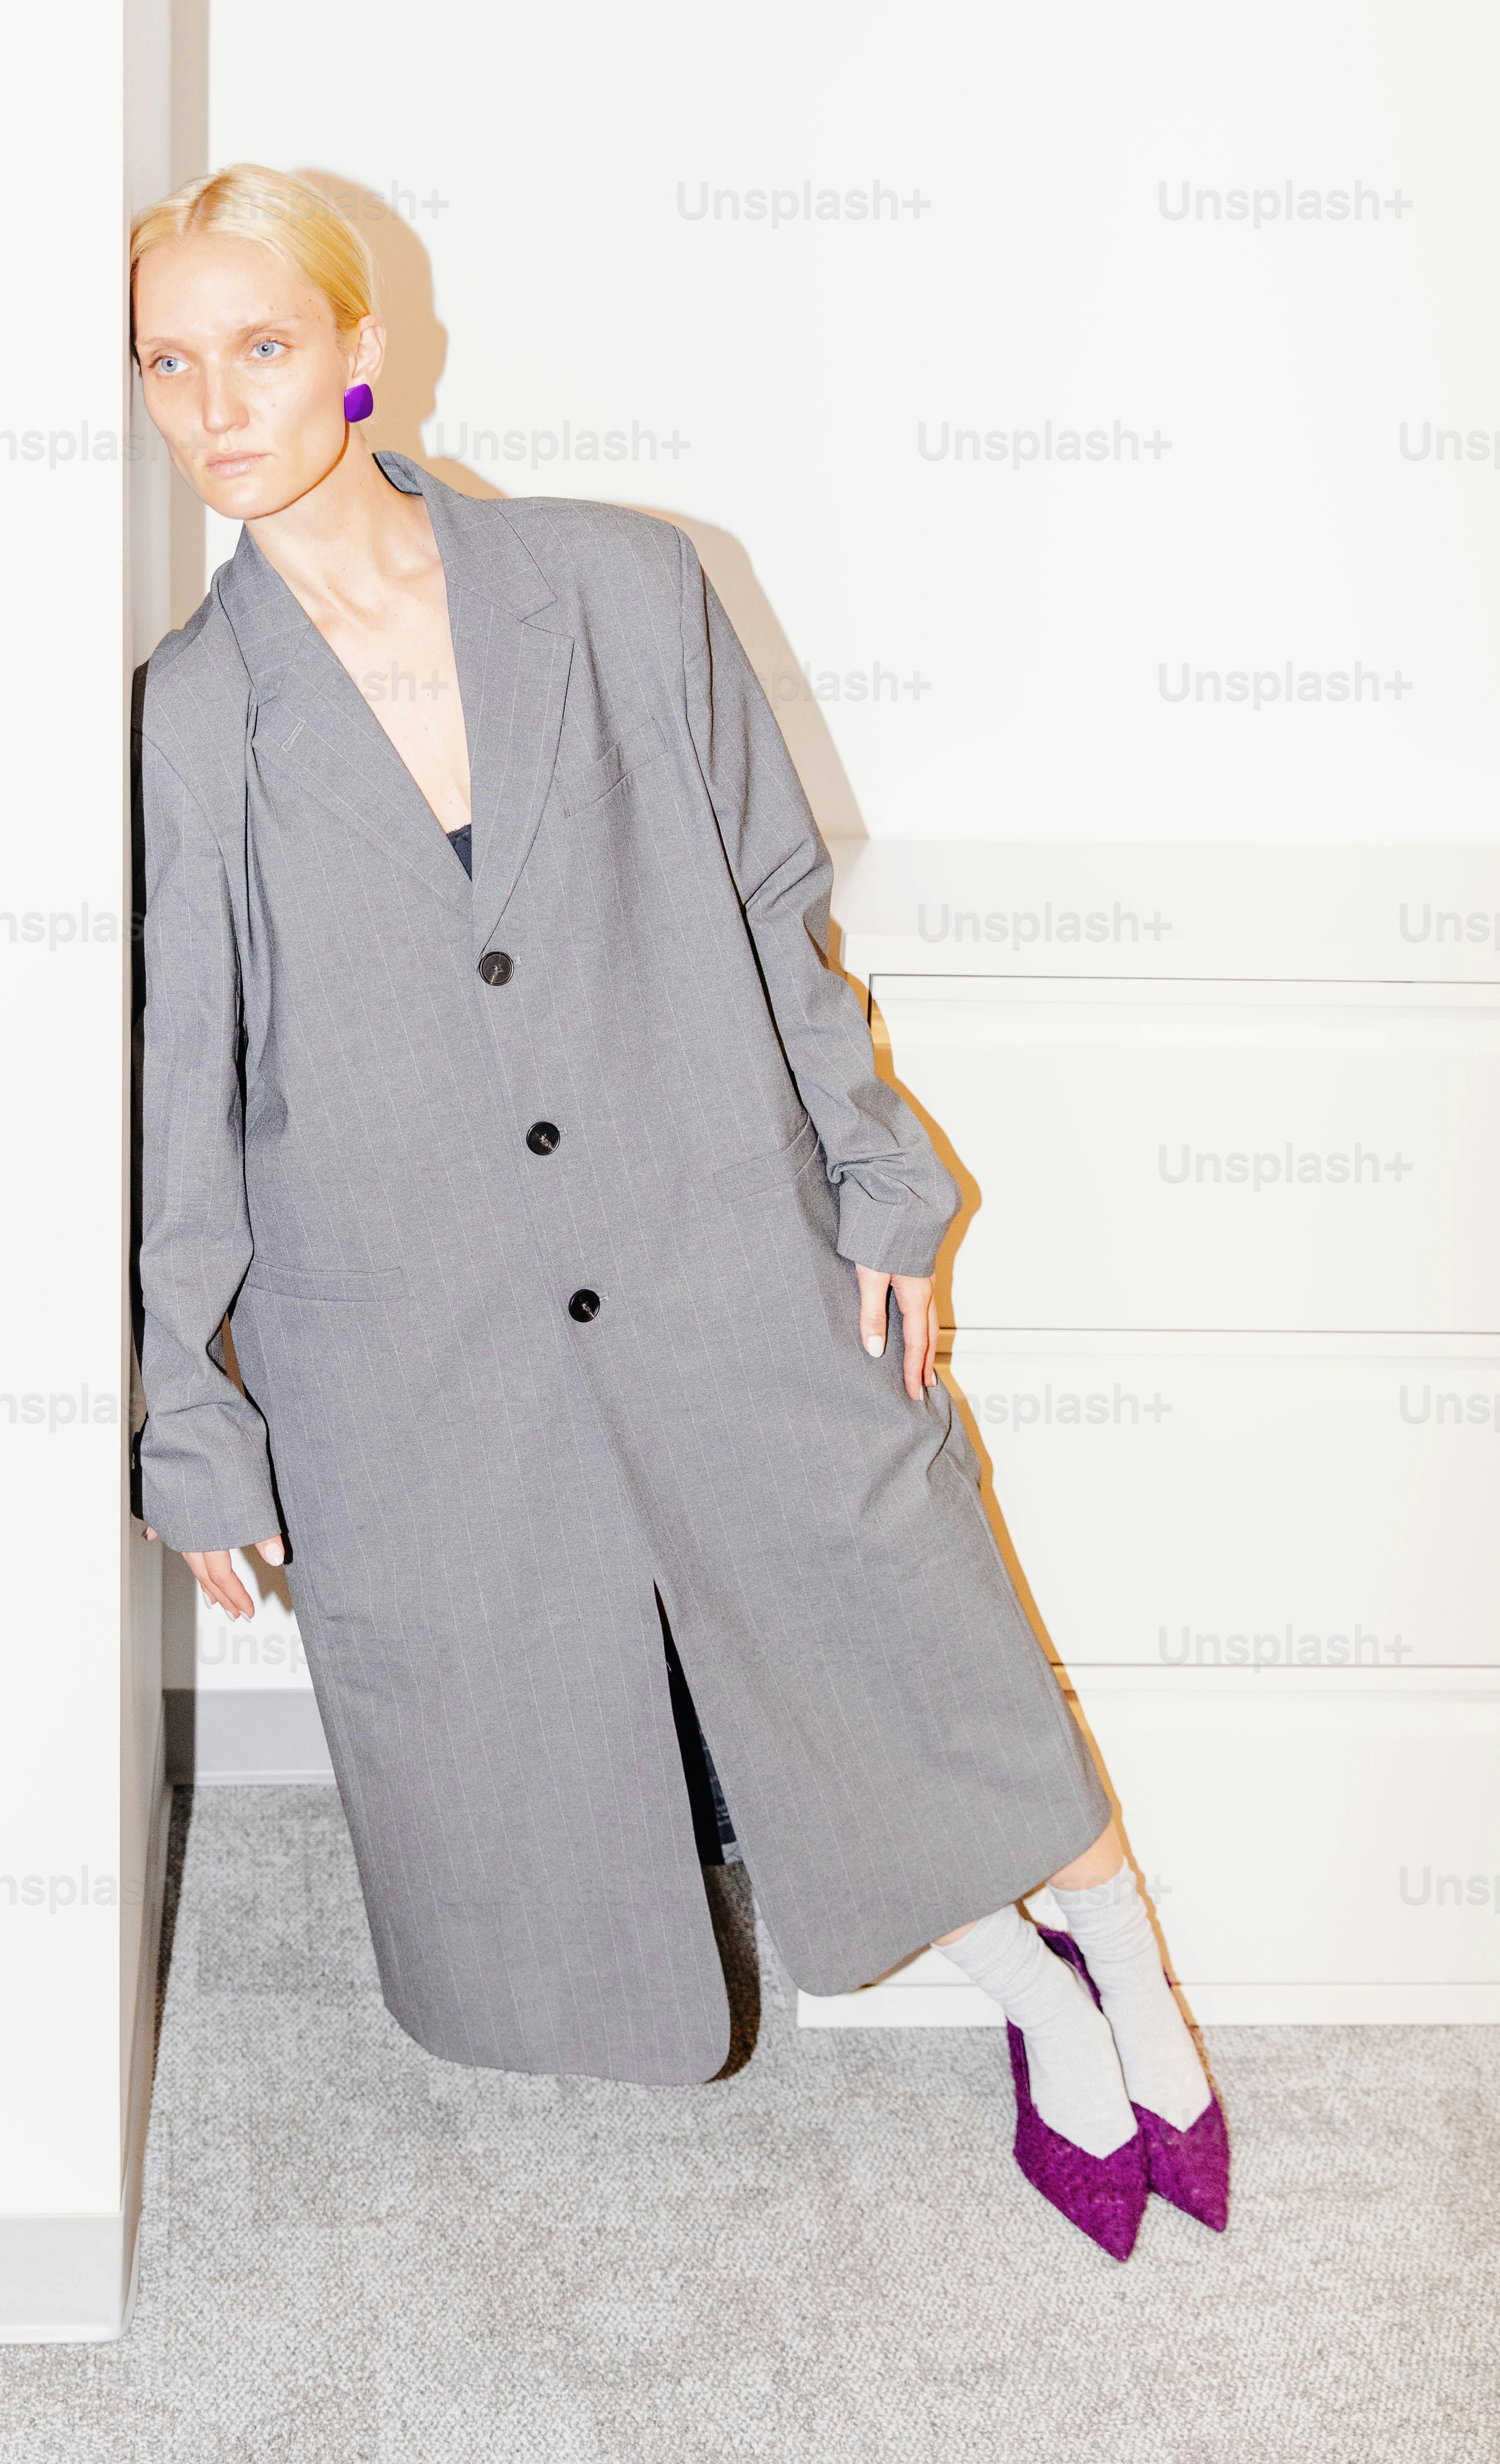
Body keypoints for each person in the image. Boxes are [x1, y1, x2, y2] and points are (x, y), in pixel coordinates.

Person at [129, 163, 1227, 2259]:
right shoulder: (199, 718)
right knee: (627, 1721)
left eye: (257, 348)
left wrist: (880, 1183)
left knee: (902, 1637)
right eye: (168, 367)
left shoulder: (616, 588)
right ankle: (1029, 2009)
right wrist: (192, 1416)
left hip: (715, 1231)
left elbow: (768, 903)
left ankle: (1136, 1980)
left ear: (360, 356)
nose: (213, 408)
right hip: (416, 1334)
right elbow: (186, 1085)